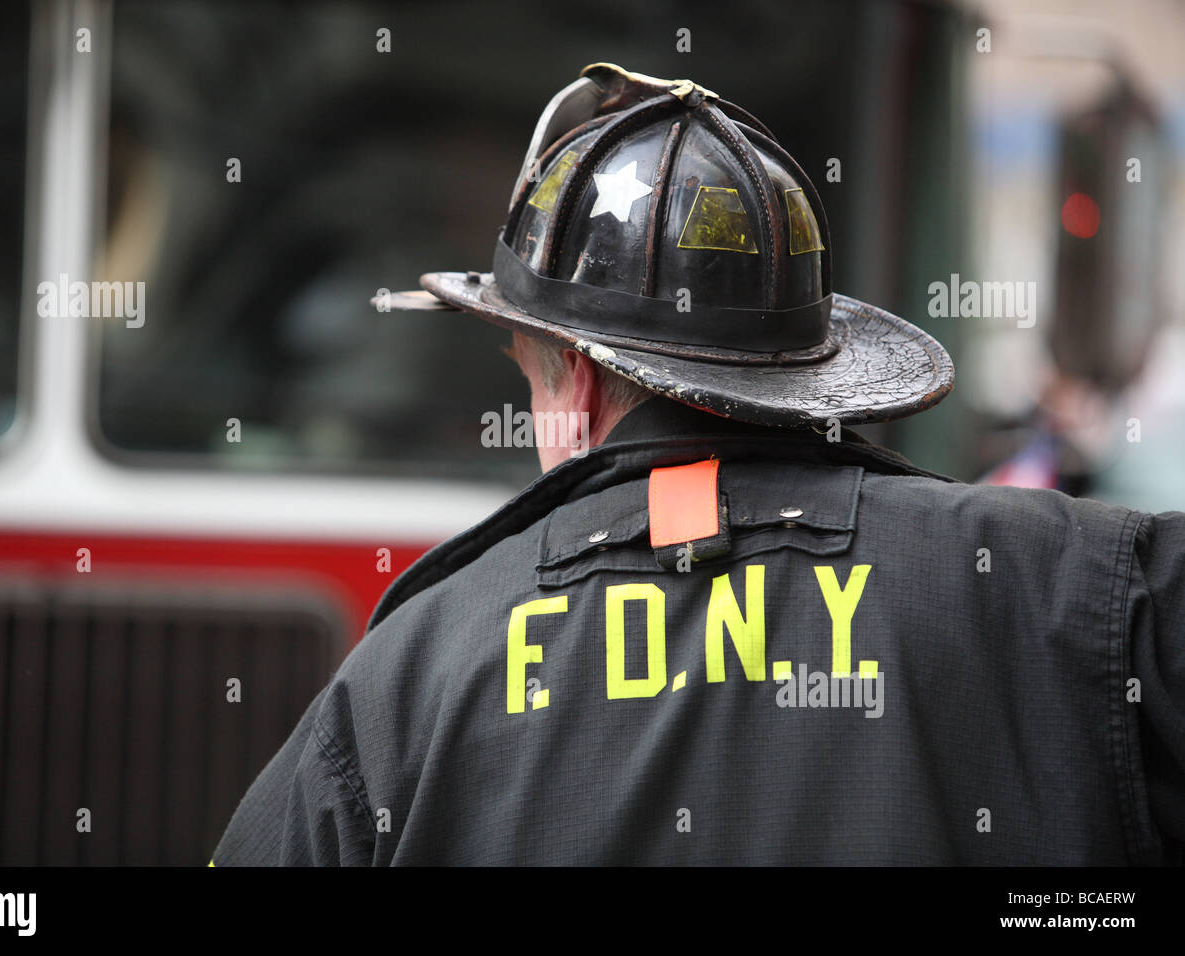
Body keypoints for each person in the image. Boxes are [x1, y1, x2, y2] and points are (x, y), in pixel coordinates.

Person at [212, 63, 1184, 865]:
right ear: (812, 367)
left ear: (578, 384)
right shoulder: (1063, 590)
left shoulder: (408, 681)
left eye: (529, 381)